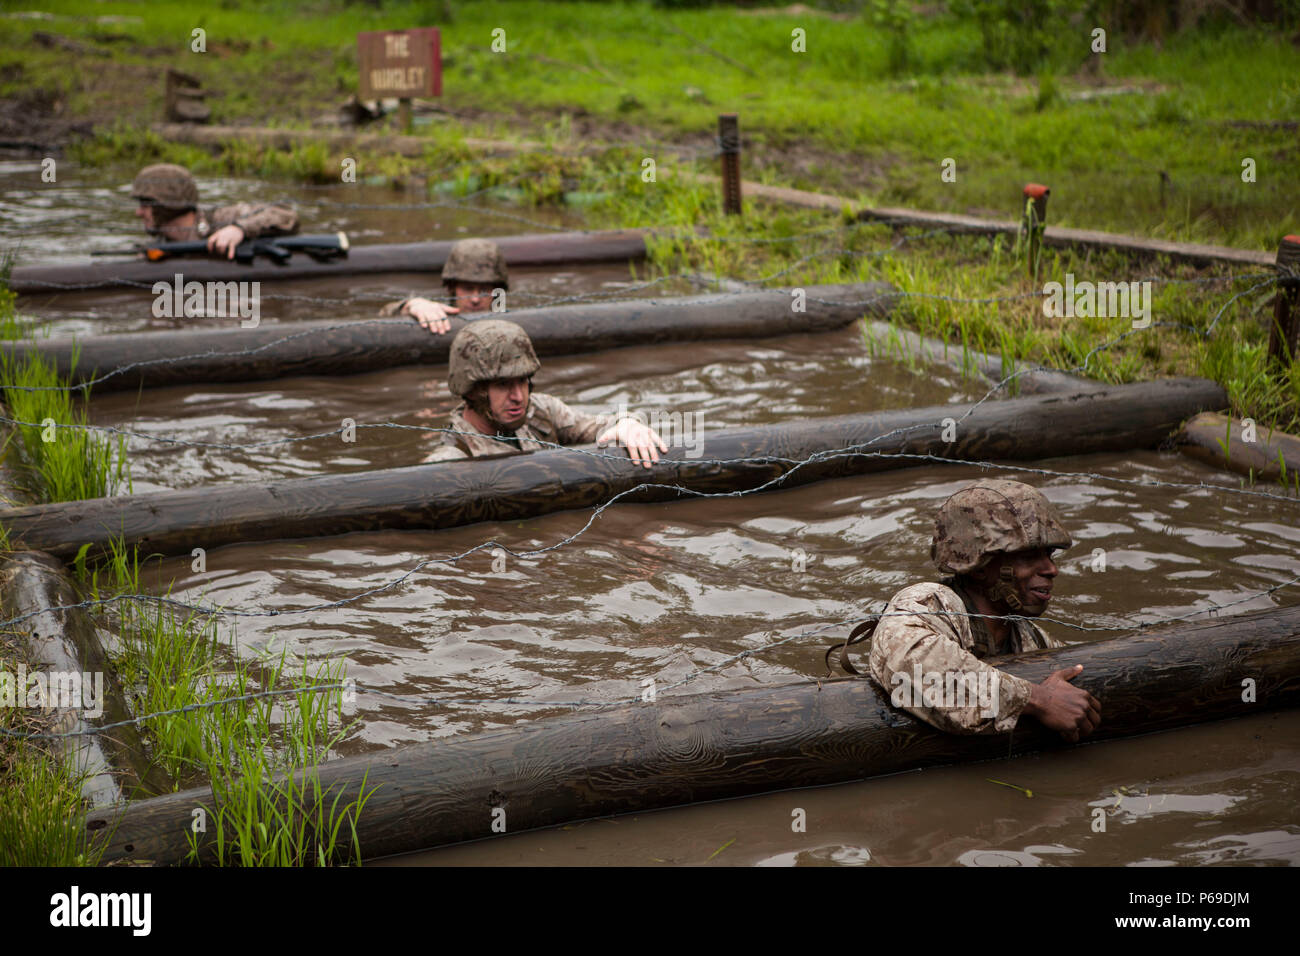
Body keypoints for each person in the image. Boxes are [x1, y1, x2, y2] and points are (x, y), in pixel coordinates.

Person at [832, 478, 1101, 741]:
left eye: (1050, 555)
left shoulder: (1030, 638)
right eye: (1029, 557)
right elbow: (910, 664)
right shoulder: (928, 604)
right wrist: (1038, 699)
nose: (1051, 569)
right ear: (980, 566)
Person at [425, 319, 667, 468]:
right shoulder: (451, 459)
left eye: (522, 381)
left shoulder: (540, 411)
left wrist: (626, 424)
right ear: (473, 391)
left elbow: (595, 428)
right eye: (502, 384)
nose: (518, 396)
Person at [130, 164, 299, 259]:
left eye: (145, 205)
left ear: (167, 205)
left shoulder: (222, 219)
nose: (139, 212)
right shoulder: (156, 250)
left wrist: (240, 229)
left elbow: (284, 214)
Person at [380, 237, 505, 334]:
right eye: (468, 288)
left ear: (497, 291)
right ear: (451, 288)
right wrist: (411, 305)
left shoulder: (508, 318)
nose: (475, 299)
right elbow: (383, 315)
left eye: (484, 290)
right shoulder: (437, 315)